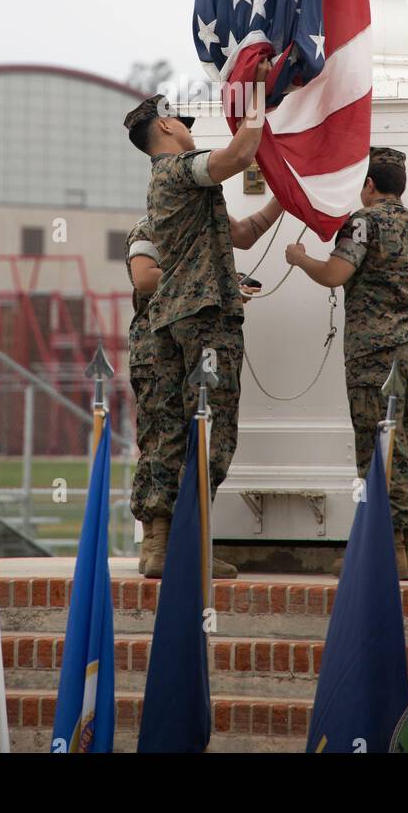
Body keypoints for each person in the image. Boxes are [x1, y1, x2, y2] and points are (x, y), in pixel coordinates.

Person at [123, 62, 282, 578]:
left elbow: (242, 235)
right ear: (167, 125)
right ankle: (183, 547)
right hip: (205, 319)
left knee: (174, 431)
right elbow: (239, 154)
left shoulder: (176, 184)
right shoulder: (176, 169)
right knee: (212, 428)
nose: (190, 128)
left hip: (180, 320)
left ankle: (161, 548)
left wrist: (287, 197)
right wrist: (257, 93)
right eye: (184, 121)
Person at [285, 146, 408, 580]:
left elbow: (335, 274)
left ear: (369, 184)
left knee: (379, 449)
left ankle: (384, 550)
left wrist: (300, 260)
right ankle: (406, 547)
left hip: (378, 354)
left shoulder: (362, 223)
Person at [123, 216, 162, 574]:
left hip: (180, 353)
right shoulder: (149, 227)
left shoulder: (199, 220)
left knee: (168, 444)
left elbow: (246, 232)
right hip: (155, 353)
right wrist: (205, 279)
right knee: (160, 443)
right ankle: (156, 544)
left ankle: (161, 546)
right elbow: (145, 278)